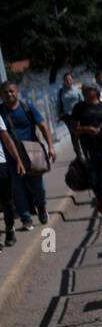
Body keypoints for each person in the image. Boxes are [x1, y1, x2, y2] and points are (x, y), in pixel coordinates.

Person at [1, 81, 56, 230]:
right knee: (17, 189)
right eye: (5, 92)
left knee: (38, 187)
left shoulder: (27, 107)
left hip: (32, 154)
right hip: (11, 157)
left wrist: (50, 146)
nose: (9, 94)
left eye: (11, 91)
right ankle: (26, 218)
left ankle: (42, 208)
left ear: (17, 91)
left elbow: (43, 126)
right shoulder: (1, 112)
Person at [70, 83, 102, 216]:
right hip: (88, 148)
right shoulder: (79, 108)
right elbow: (75, 129)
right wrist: (86, 129)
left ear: (96, 91)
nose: (86, 92)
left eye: (89, 90)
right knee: (94, 178)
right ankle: (99, 197)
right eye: (85, 90)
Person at [0, 110, 20, 247]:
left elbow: (6, 137)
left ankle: (9, 229)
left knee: (6, 201)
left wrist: (18, 159)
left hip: (0, 164)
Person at [57, 73, 83, 144]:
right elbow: (58, 105)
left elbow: (82, 100)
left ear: (72, 80)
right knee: (73, 133)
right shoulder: (61, 92)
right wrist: (59, 115)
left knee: (81, 132)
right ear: (64, 81)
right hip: (68, 116)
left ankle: (85, 150)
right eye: (66, 80)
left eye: (69, 79)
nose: (68, 81)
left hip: (78, 114)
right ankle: (78, 152)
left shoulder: (77, 89)